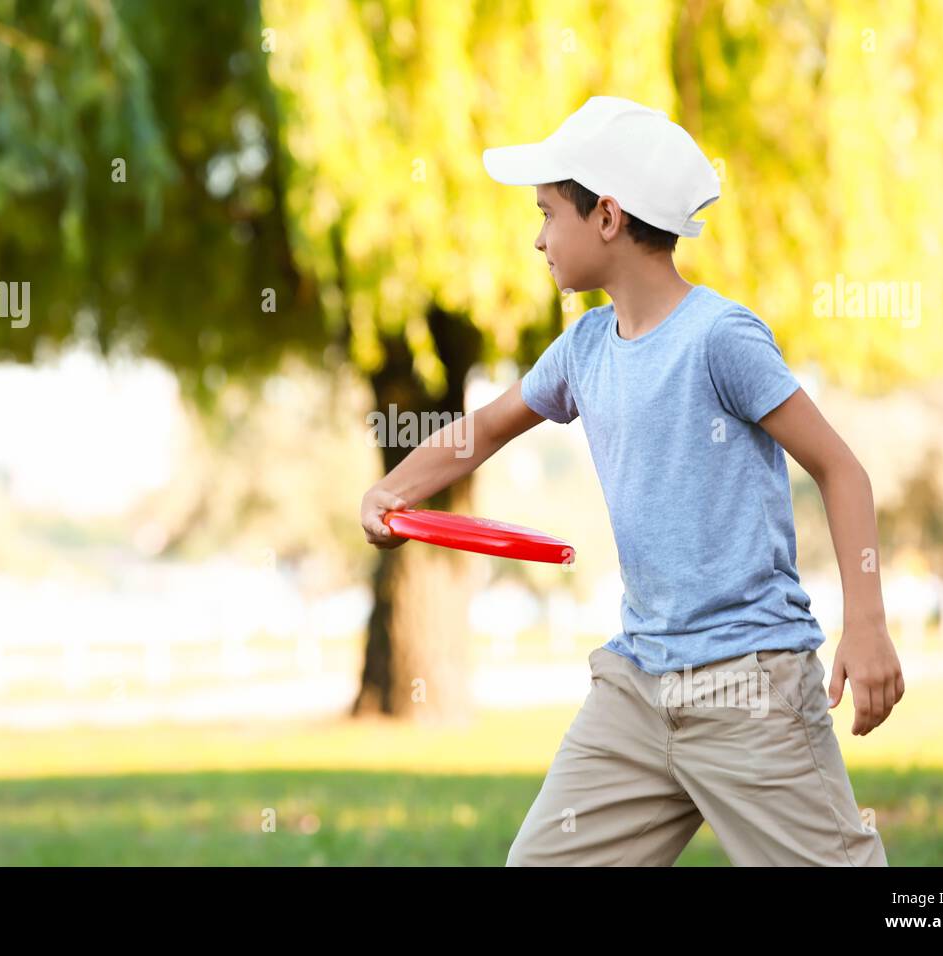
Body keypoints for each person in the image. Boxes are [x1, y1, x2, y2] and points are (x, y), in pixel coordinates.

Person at [359, 96, 902, 866]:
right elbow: (479, 431)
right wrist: (395, 492)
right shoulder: (584, 348)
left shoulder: (720, 338)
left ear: (608, 217)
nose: (537, 237)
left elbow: (840, 469)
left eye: (549, 213)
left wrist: (869, 624)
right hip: (638, 690)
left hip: (748, 688)